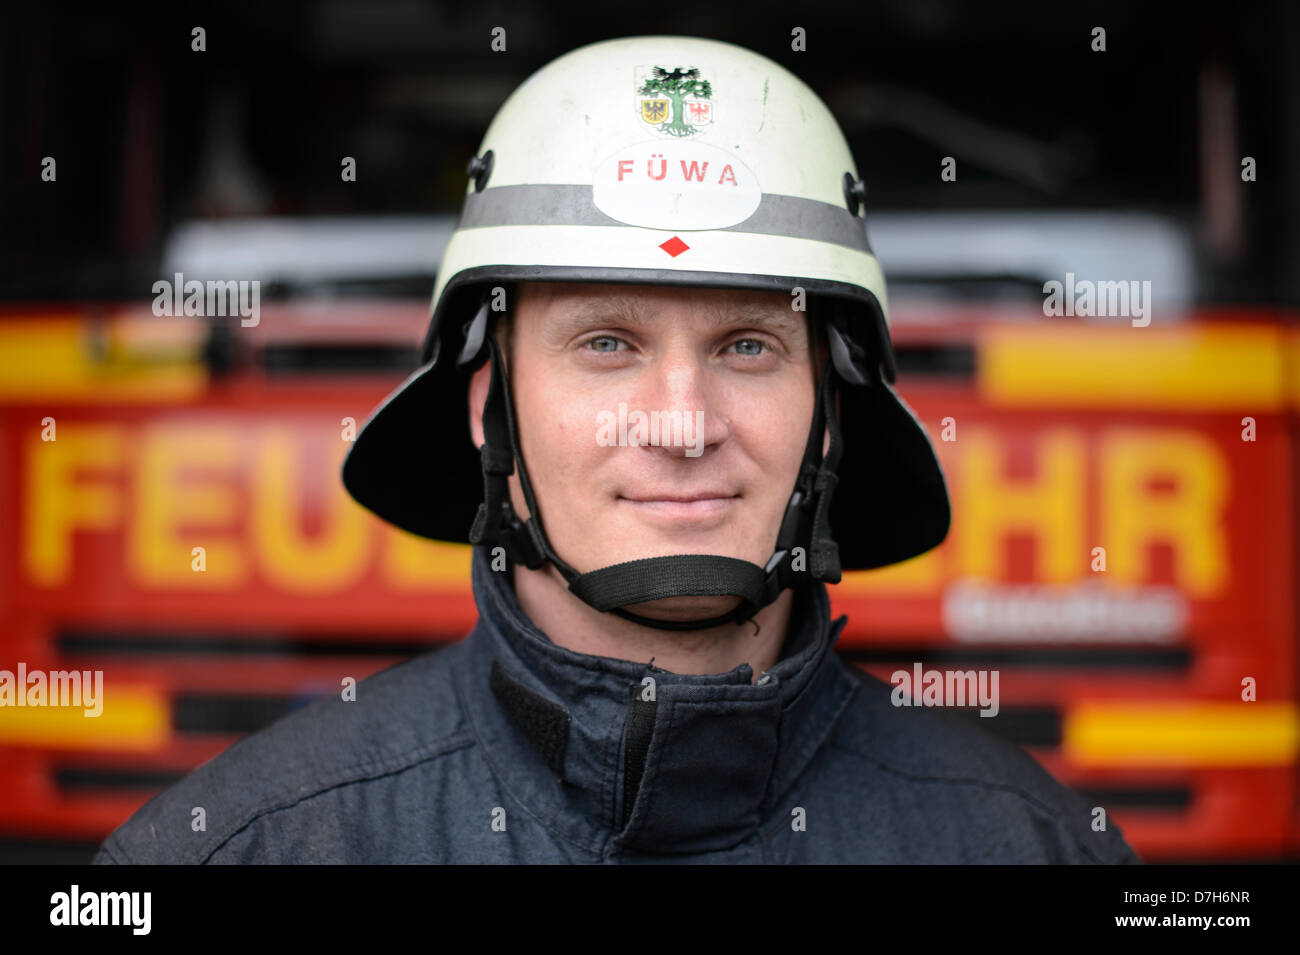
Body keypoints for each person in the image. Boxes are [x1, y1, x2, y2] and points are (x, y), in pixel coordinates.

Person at [93, 35, 1140, 864]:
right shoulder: (244, 848)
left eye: (747, 345)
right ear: (486, 408)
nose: (680, 423)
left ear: (831, 413)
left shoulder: (1029, 846)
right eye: (605, 344)